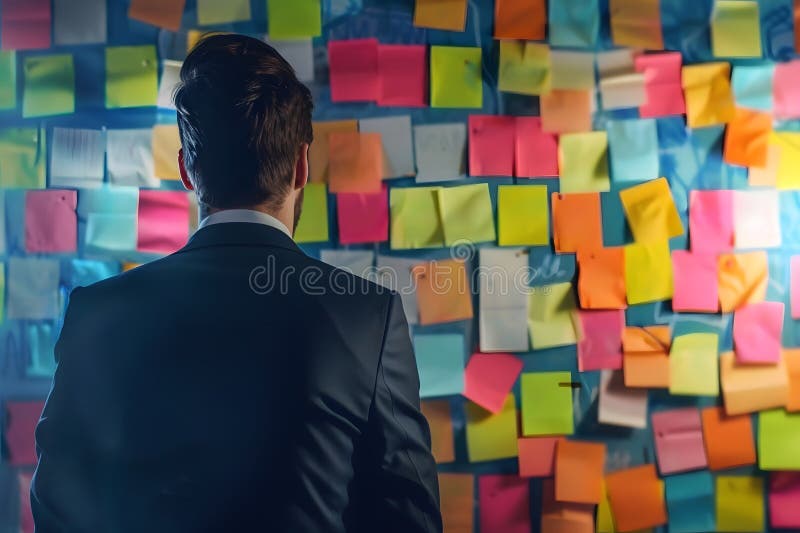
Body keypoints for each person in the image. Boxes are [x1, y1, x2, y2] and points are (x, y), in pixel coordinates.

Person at [32, 33, 441, 533]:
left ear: (187, 170)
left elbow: (57, 508)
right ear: (301, 166)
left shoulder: (98, 312)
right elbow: (409, 519)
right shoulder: (368, 317)